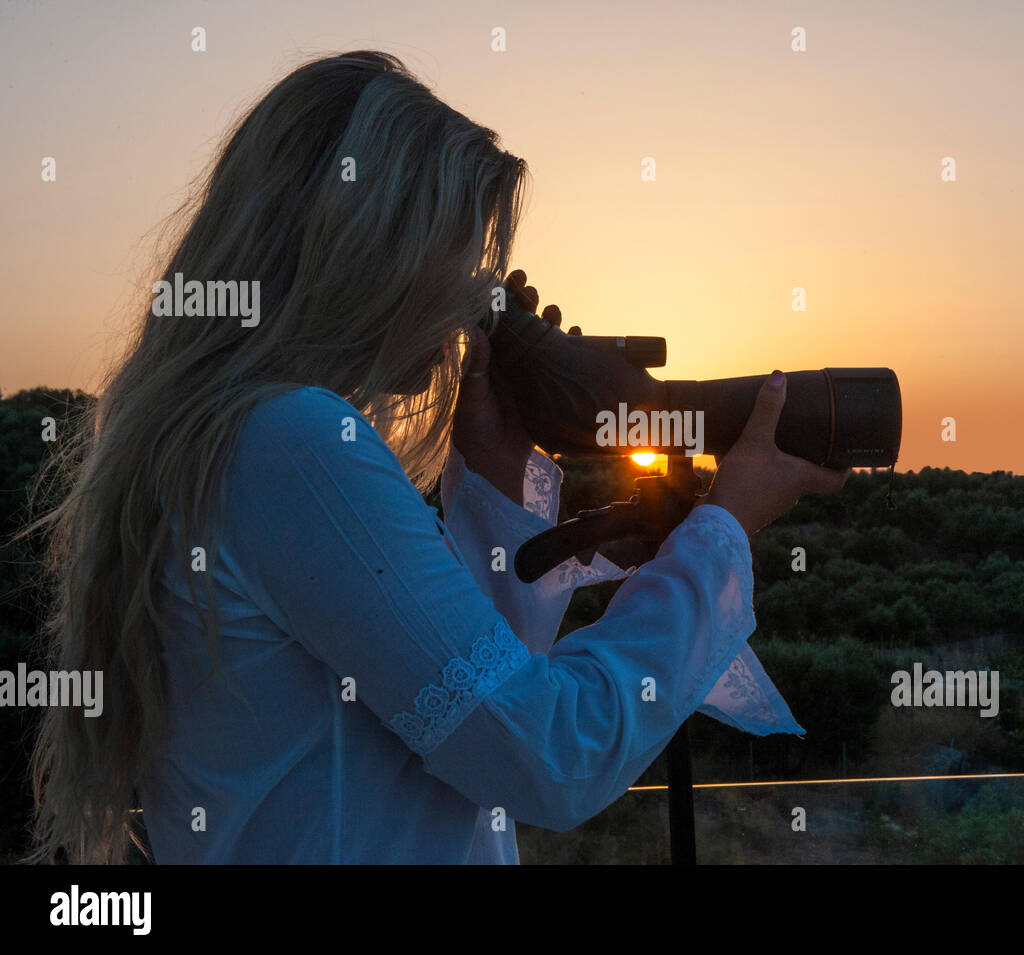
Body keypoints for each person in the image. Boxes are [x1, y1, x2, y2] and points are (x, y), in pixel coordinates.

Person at [27, 51, 847, 864]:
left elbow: (465, 710)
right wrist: (723, 530)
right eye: (454, 254)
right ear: (364, 249)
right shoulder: (291, 439)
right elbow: (546, 752)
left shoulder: (232, 441)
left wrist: (495, 462)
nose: (471, 294)